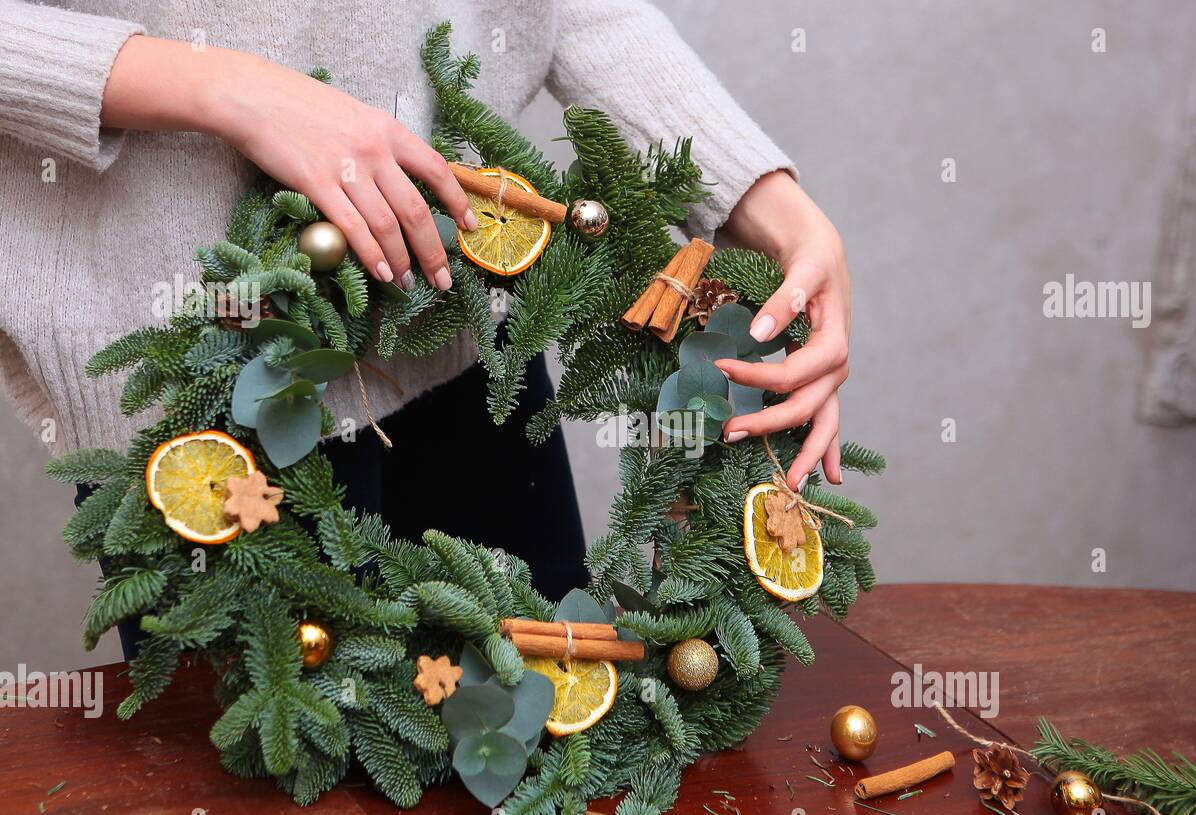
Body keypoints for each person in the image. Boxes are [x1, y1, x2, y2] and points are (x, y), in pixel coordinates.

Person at [0, 1, 852, 642]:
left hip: (468, 331)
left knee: (546, 777)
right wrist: (222, 84)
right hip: (215, 377)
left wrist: (763, 201)